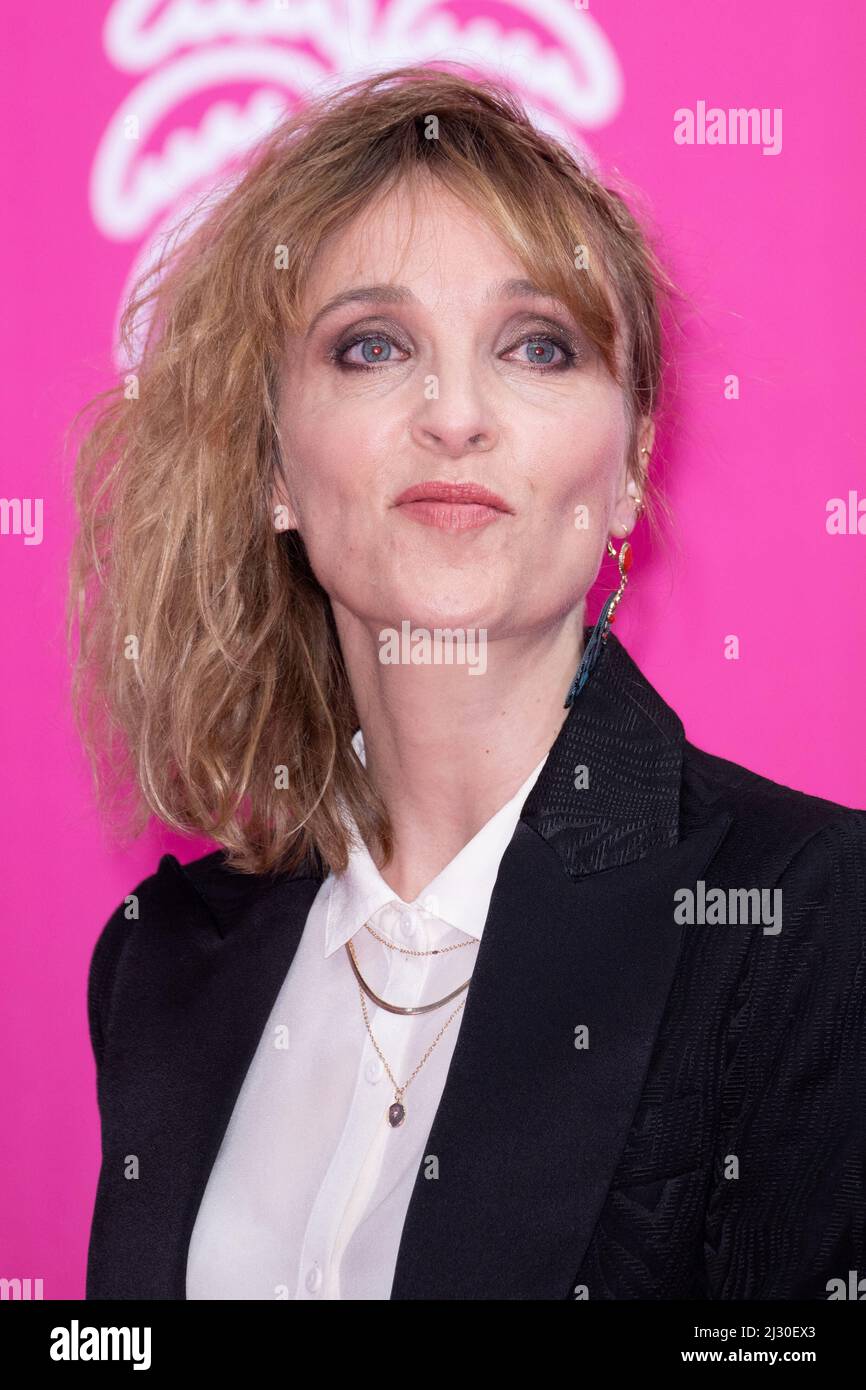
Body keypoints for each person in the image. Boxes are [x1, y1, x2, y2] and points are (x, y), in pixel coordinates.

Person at [71, 65, 866, 1301]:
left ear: (627, 468)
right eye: (372, 346)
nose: (452, 413)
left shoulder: (805, 921)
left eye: (536, 345)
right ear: (274, 460)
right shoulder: (159, 959)